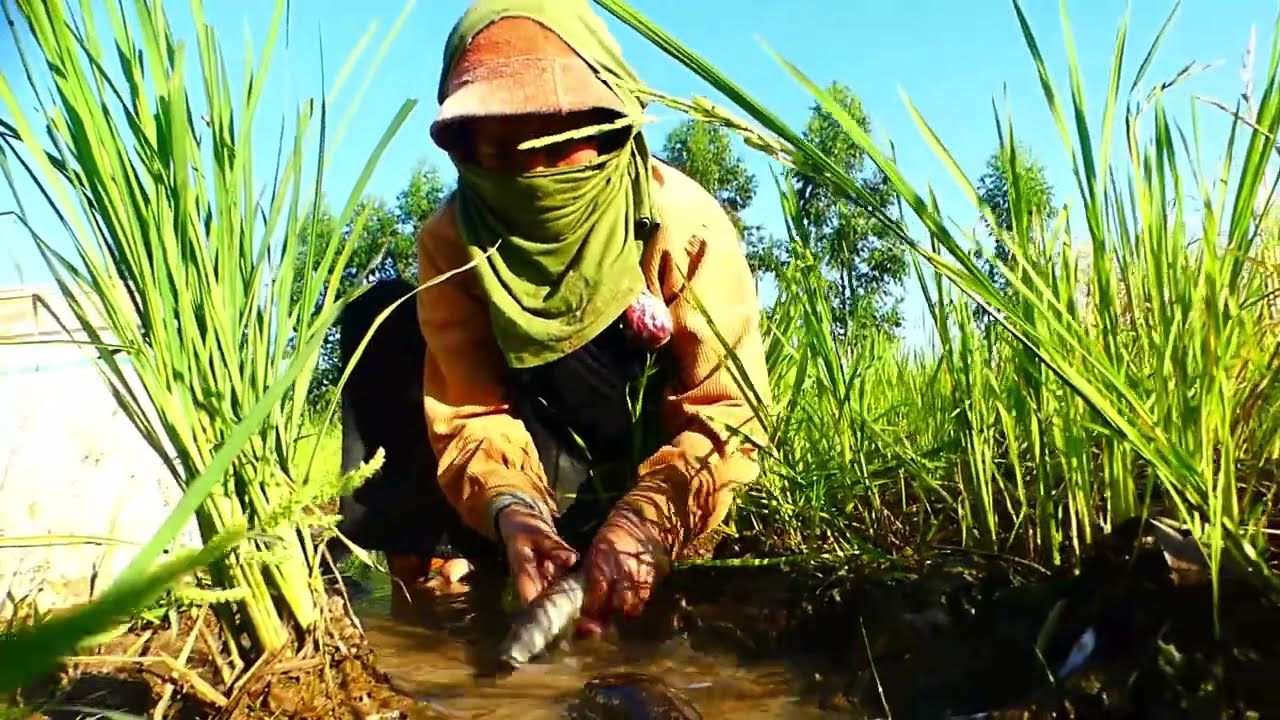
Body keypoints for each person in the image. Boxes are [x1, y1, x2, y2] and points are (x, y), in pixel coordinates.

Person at [334, 0, 771, 632]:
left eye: (559, 146)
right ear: (465, 150)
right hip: (517, 488)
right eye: (502, 151)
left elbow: (727, 414)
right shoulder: (453, 240)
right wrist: (511, 508)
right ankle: (433, 569)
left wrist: (649, 517)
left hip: (635, 484)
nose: (534, 174)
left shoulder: (682, 224)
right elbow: (467, 411)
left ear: (609, 128)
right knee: (383, 316)